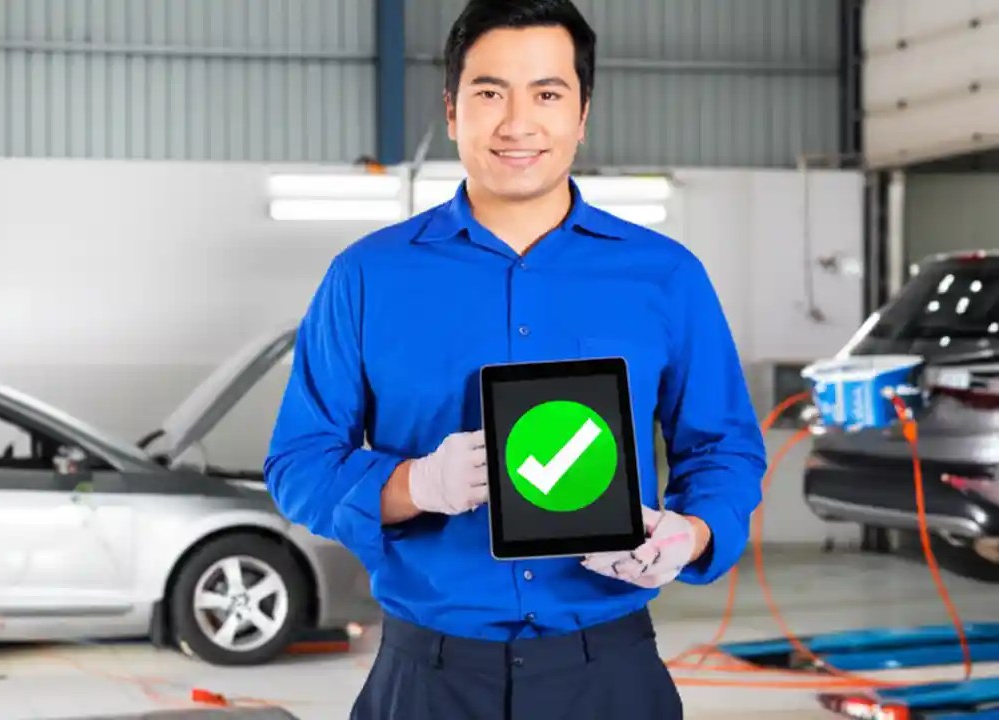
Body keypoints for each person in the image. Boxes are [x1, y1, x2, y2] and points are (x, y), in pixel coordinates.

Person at [264, 0, 767, 717]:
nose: (517, 122)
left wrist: (695, 532)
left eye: (548, 93)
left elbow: (723, 447)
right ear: (451, 109)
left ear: (583, 111)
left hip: (610, 672)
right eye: (490, 92)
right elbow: (298, 462)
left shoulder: (665, 276)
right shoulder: (368, 277)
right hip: (428, 678)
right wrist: (415, 484)